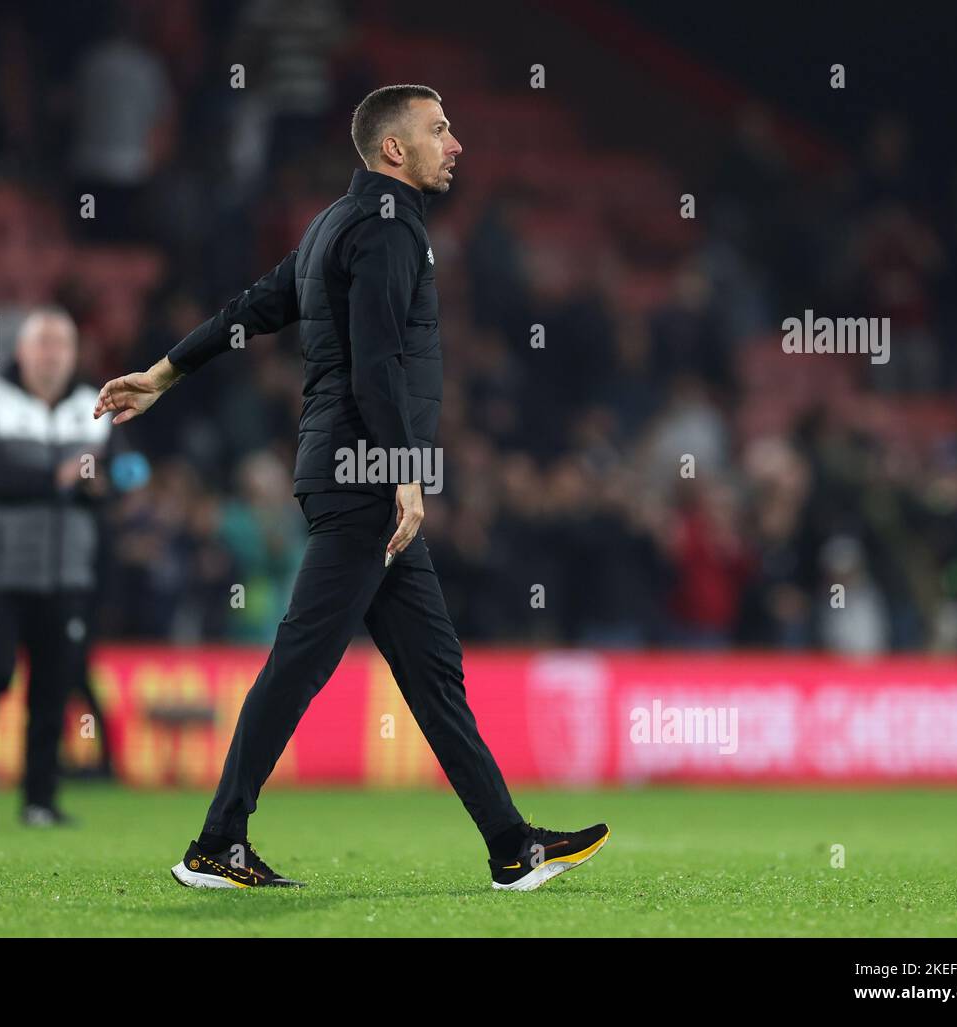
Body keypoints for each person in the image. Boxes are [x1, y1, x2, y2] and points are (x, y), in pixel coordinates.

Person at [95, 85, 608, 891]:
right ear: (394, 150)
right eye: (440, 129)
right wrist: (403, 471)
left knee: (433, 670)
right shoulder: (390, 226)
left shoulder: (334, 222)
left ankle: (512, 847)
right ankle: (217, 842)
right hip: (362, 471)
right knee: (302, 656)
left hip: (346, 465)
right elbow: (377, 359)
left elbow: (253, 308)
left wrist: (164, 371)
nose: (457, 143)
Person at [0, 309, 115, 826]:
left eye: (61, 344)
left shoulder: (96, 404)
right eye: (42, 343)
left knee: (54, 686)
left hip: (66, 573)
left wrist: (102, 482)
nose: (51, 354)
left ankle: (38, 799)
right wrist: (56, 477)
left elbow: (130, 470)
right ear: (21, 351)